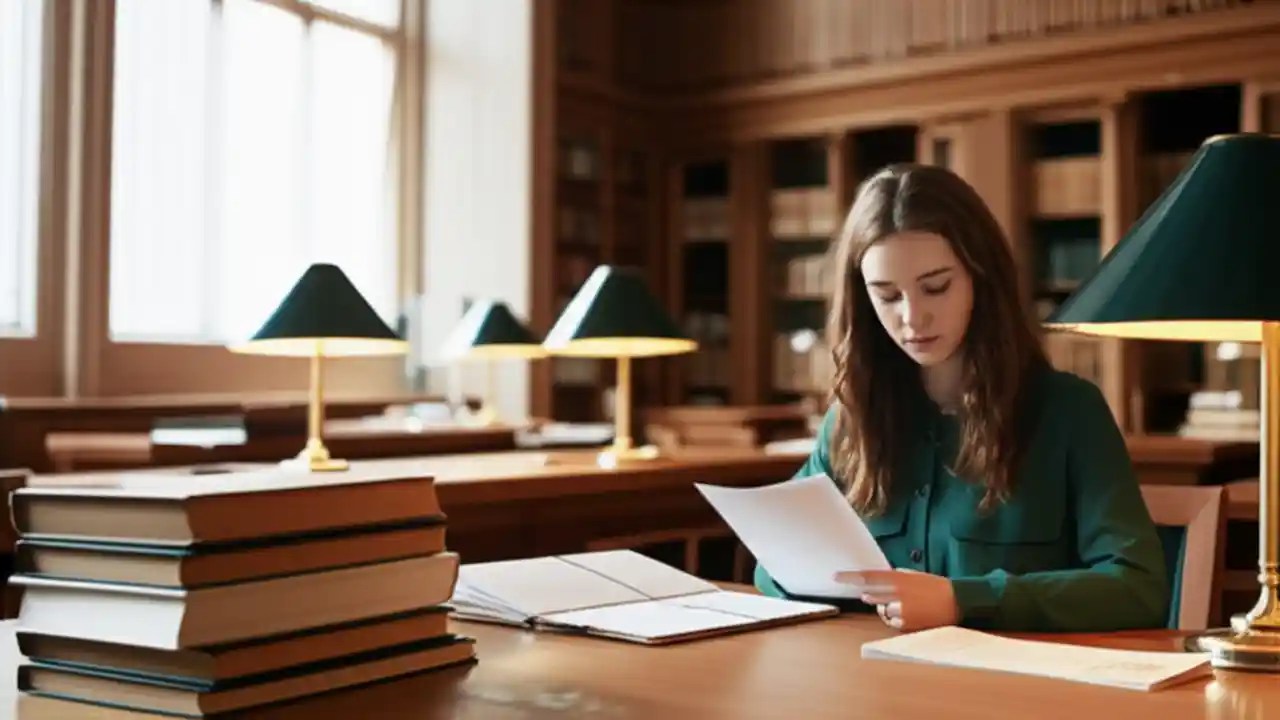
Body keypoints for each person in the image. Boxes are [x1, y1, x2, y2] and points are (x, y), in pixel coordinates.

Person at [754, 163, 1169, 633]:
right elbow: (773, 568)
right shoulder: (851, 421)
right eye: (887, 296)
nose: (913, 317)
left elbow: (1139, 587)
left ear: (980, 277)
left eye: (936, 287)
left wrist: (965, 600)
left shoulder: (1069, 412)